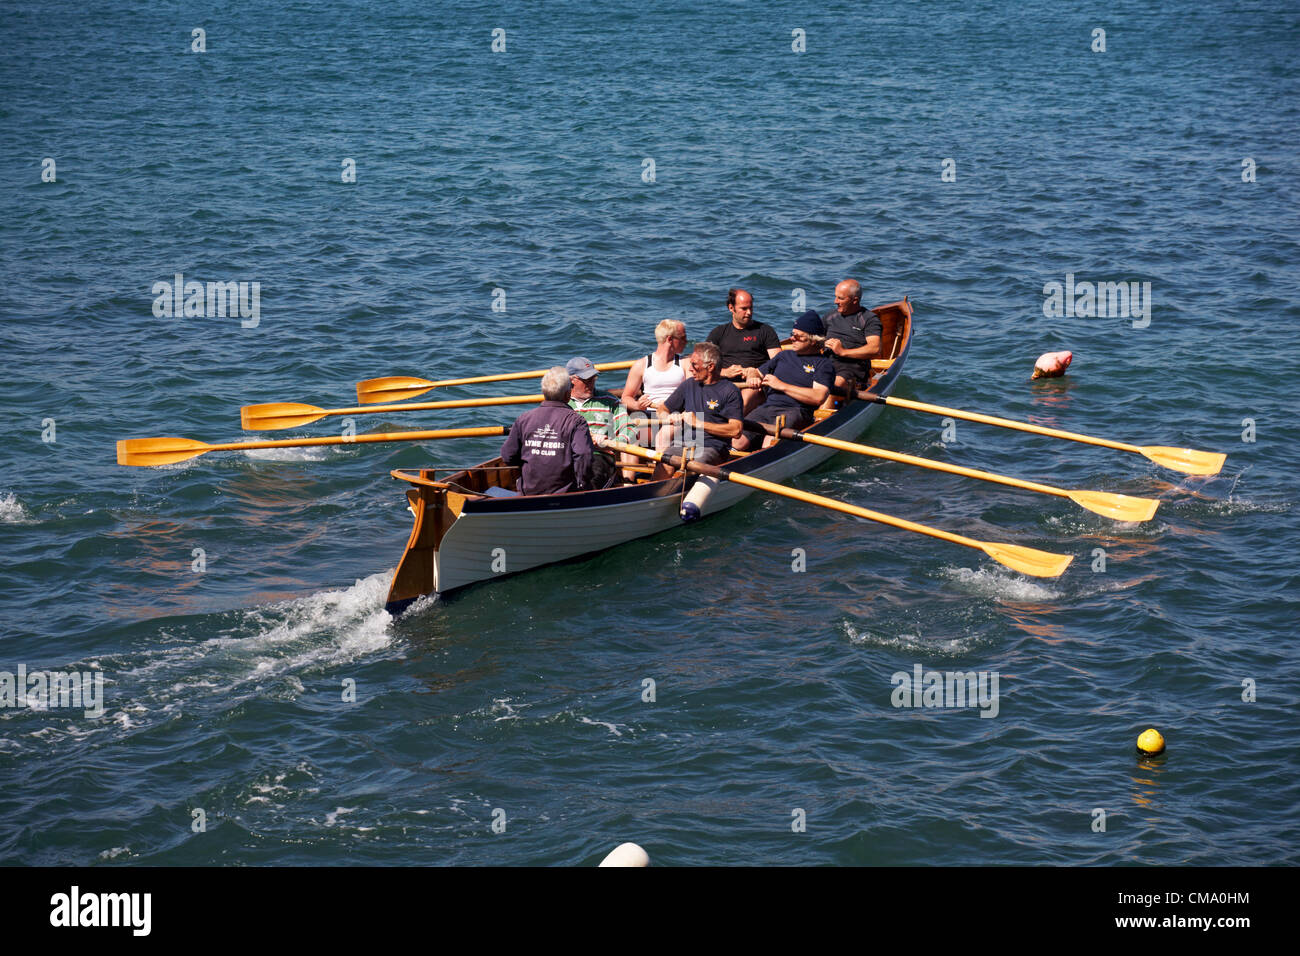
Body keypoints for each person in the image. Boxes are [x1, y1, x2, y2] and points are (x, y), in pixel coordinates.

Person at [735, 310, 834, 450]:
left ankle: (763, 457)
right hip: (767, 408)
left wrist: (781, 385)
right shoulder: (784, 356)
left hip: (796, 411)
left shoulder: (823, 364)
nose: (792, 339)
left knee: (770, 442)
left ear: (813, 340)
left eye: (798, 336)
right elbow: (756, 372)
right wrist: (752, 377)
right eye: (791, 335)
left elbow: (818, 397)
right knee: (737, 442)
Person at [651, 341, 743, 480]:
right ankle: (655, 496)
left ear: (710, 366)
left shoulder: (730, 391)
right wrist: (668, 416)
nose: (690, 369)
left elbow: (736, 430)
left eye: (694, 364)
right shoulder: (689, 385)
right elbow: (663, 409)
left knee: (692, 466)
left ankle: (676, 493)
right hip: (683, 444)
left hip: (712, 447)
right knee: (665, 462)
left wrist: (698, 423)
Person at [500, 367, 593, 495]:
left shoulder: (523, 419)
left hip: (528, 493)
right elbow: (584, 455)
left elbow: (508, 455)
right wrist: (583, 485)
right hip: (565, 494)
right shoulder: (577, 421)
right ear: (567, 395)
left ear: (544, 392)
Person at [566, 356, 638, 487]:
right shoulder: (561, 403)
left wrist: (611, 444)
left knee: (590, 477)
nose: (591, 383)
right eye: (586, 380)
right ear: (572, 381)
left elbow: (629, 429)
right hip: (567, 454)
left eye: (593, 378)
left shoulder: (609, 401)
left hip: (599, 456)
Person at [706, 288, 781, 413]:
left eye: (751, 308)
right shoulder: (718, 333)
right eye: (744, 309)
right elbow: (705, 365)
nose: (749, 312)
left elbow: (779, 362)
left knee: (741, 401)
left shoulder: (765, 331)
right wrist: (725, 372)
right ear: (731, 308)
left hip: (754, 386)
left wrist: (755, 372)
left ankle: (725, 428)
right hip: (724, 384)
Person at [621, 319, 690, 446]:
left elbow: (693, 394)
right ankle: (629, 466)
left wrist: (672, 405)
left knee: (664, 435)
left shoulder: (686, 364)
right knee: (630, 434)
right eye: (683, 338)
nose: (686, 342)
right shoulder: (641, 365)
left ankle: (660, 464)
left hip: (675, 416)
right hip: (649, 415)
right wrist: (637, 406)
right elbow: (626, 397)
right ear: (670, 339)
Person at [821, 278, 882, 396]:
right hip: (826, 362)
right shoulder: (829, 317)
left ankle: (824, 413)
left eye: (841, 298)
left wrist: (843, 352)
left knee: (833, 384)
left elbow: (875, 349)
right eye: (835, 297)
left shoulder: (869, 319)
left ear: (855, 300)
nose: (835, 301)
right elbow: (815, 339)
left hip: (852, 367)